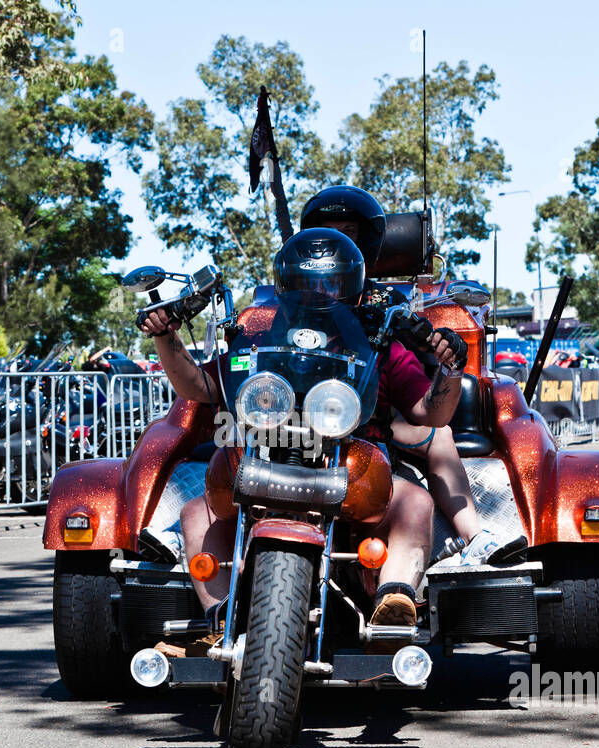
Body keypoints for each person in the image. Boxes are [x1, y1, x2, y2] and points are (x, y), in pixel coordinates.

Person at [140, 226, 465, 630]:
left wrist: (451, 368)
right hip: (264, 453)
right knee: (196, 514)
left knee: (415, 503)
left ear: (352, 287)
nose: (320, 293)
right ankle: (218, 619)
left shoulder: (382, 342)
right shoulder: (257, 341)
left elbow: (429, 414)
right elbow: (198, 386)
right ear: (287, 286)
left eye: (331, 283)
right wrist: (166, 337)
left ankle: (394, 595)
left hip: (352, 463)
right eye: (307, 283)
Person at [299, 185, 526, 566]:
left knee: (439, 434)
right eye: (328, 231)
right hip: (297, 426)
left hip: (374, 419)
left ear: (367, 242)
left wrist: (445, 355)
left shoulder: (387, 305)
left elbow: (418, 362)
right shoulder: (286, 302)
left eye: (348, 233)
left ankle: (475, 535)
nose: (335, 242)